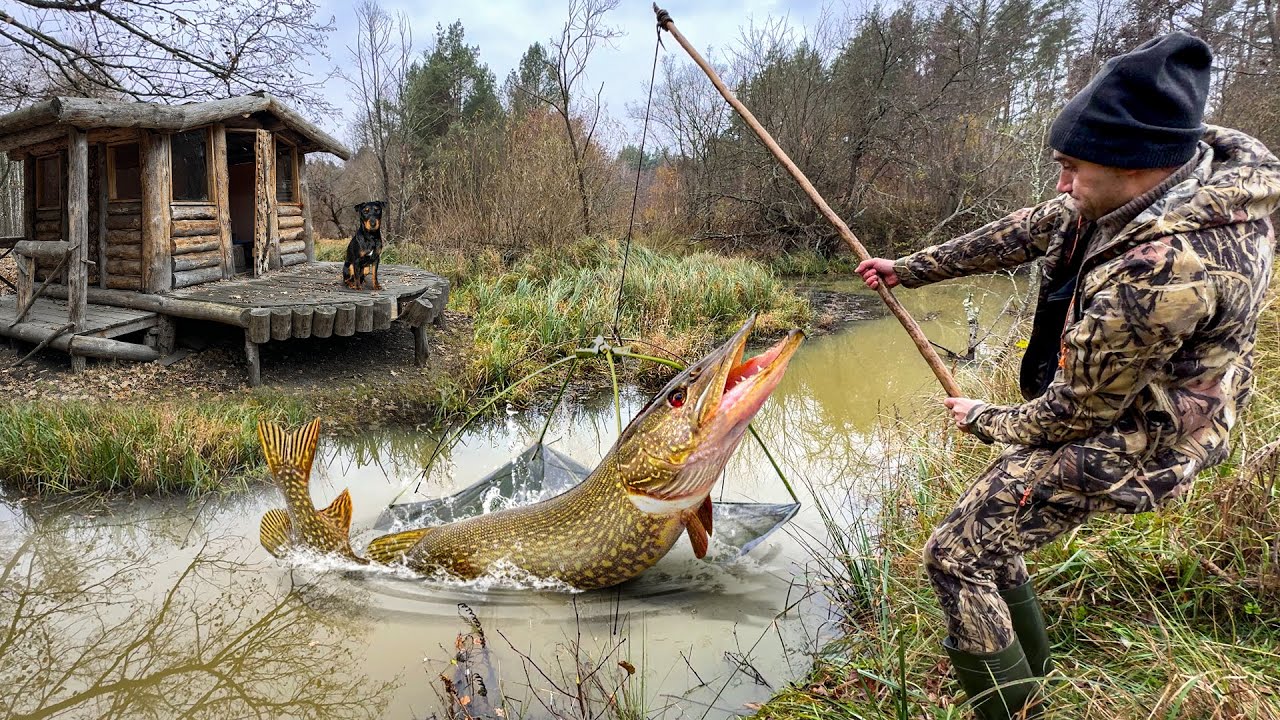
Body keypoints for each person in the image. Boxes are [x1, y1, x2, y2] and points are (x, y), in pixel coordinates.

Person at [857, 31, 1280, 719]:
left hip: (1146, 440)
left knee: (954, 556)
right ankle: (1034, 680)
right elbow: (1029, 227)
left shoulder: (1166, 269)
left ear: (1134, 167)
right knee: (989, 534)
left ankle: (1010, 708)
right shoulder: (1146, 180)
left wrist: (984, 419)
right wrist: (908, 269)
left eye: (1071, 167)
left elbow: (1071, 417)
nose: (1061, 183)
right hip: (1109, 404)